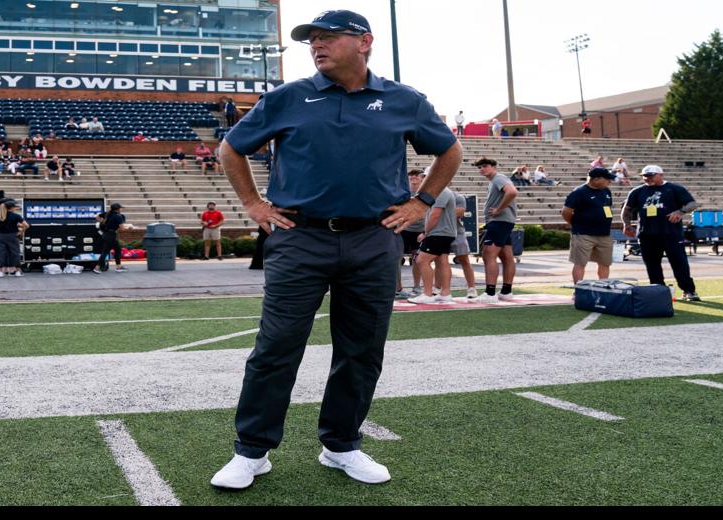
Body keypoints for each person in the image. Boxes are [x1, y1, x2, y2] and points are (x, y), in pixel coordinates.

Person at [208, 8, 460, 490]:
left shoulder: (404, 100)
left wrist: (421, 201)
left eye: (327, 37)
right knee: (277, 345)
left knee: (362, 349)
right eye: (312, 40)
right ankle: (252, 451)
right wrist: (253, 205)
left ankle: (341, 445)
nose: (316, 46)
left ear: (363, 42)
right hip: (299, 237)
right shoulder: (288, 97)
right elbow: (231, 148)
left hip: (372, 238)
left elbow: (449, 149)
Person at [622, 165, 700, 302]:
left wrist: (680, 212)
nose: (647, 179)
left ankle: (689, 290)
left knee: (679, 263)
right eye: (645, 176)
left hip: (671, 233)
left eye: (651, 175)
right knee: (652, 265)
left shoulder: (674, 188)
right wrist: (626, 224)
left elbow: (692, 204)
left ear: (660, 175)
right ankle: (658, 291)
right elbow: (627, 209)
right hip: (647, 234)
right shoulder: (637, 191)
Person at [410, 169, 463, 304]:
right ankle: (445, 293)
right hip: (445, 232)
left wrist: (425, 233)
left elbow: (435, 215)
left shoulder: (440, 191)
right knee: (442, 261)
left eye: (425, 176)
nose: (424, 179)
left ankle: (427, 294)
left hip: (439, 232)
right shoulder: (442, 191)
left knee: (421, 260)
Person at [472, 157, 518, 302]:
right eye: (479, 167)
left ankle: (490, 293)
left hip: (499, 221)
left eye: (485, 166)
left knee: (488, 255)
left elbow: (512, 192)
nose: (482, 169)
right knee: (506, 257)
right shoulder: (495, 180)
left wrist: (499, 209)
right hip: (503, 222)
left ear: (493, 166)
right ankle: (506, 291)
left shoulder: (498, 178)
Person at [564, 167, 617, 284]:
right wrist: (575, 223)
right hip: (583, 233)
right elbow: (566, 212)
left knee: (605, 262)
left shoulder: (606, 191)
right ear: (596, 179)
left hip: (604, 233)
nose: (610, 181)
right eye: (607, 179)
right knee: (580, 263)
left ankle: (604, 288)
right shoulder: (579, 192)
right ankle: (579, 289)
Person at [93, 203, 137, 273]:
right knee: (105, 252)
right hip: (111, 235)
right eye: (120, 208)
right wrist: (130, 228)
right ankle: (96, 268)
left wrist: (102, 221)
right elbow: (122, 228)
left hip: (106, 234)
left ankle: (118, 266)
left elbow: (97, 216)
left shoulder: (107, 213)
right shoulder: (118, 216)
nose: (121, 209)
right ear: (117, 209)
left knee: (117, 250)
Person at [0, 197, 28, 277]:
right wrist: (21, 232)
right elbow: (26, 225)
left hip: (1, 236)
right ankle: (17, 271)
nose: (15, 208)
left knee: (1, 254)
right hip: (13, 236)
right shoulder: (15, 216)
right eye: (14, 207)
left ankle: (0, 272)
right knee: (15, 253)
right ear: (11, 208)